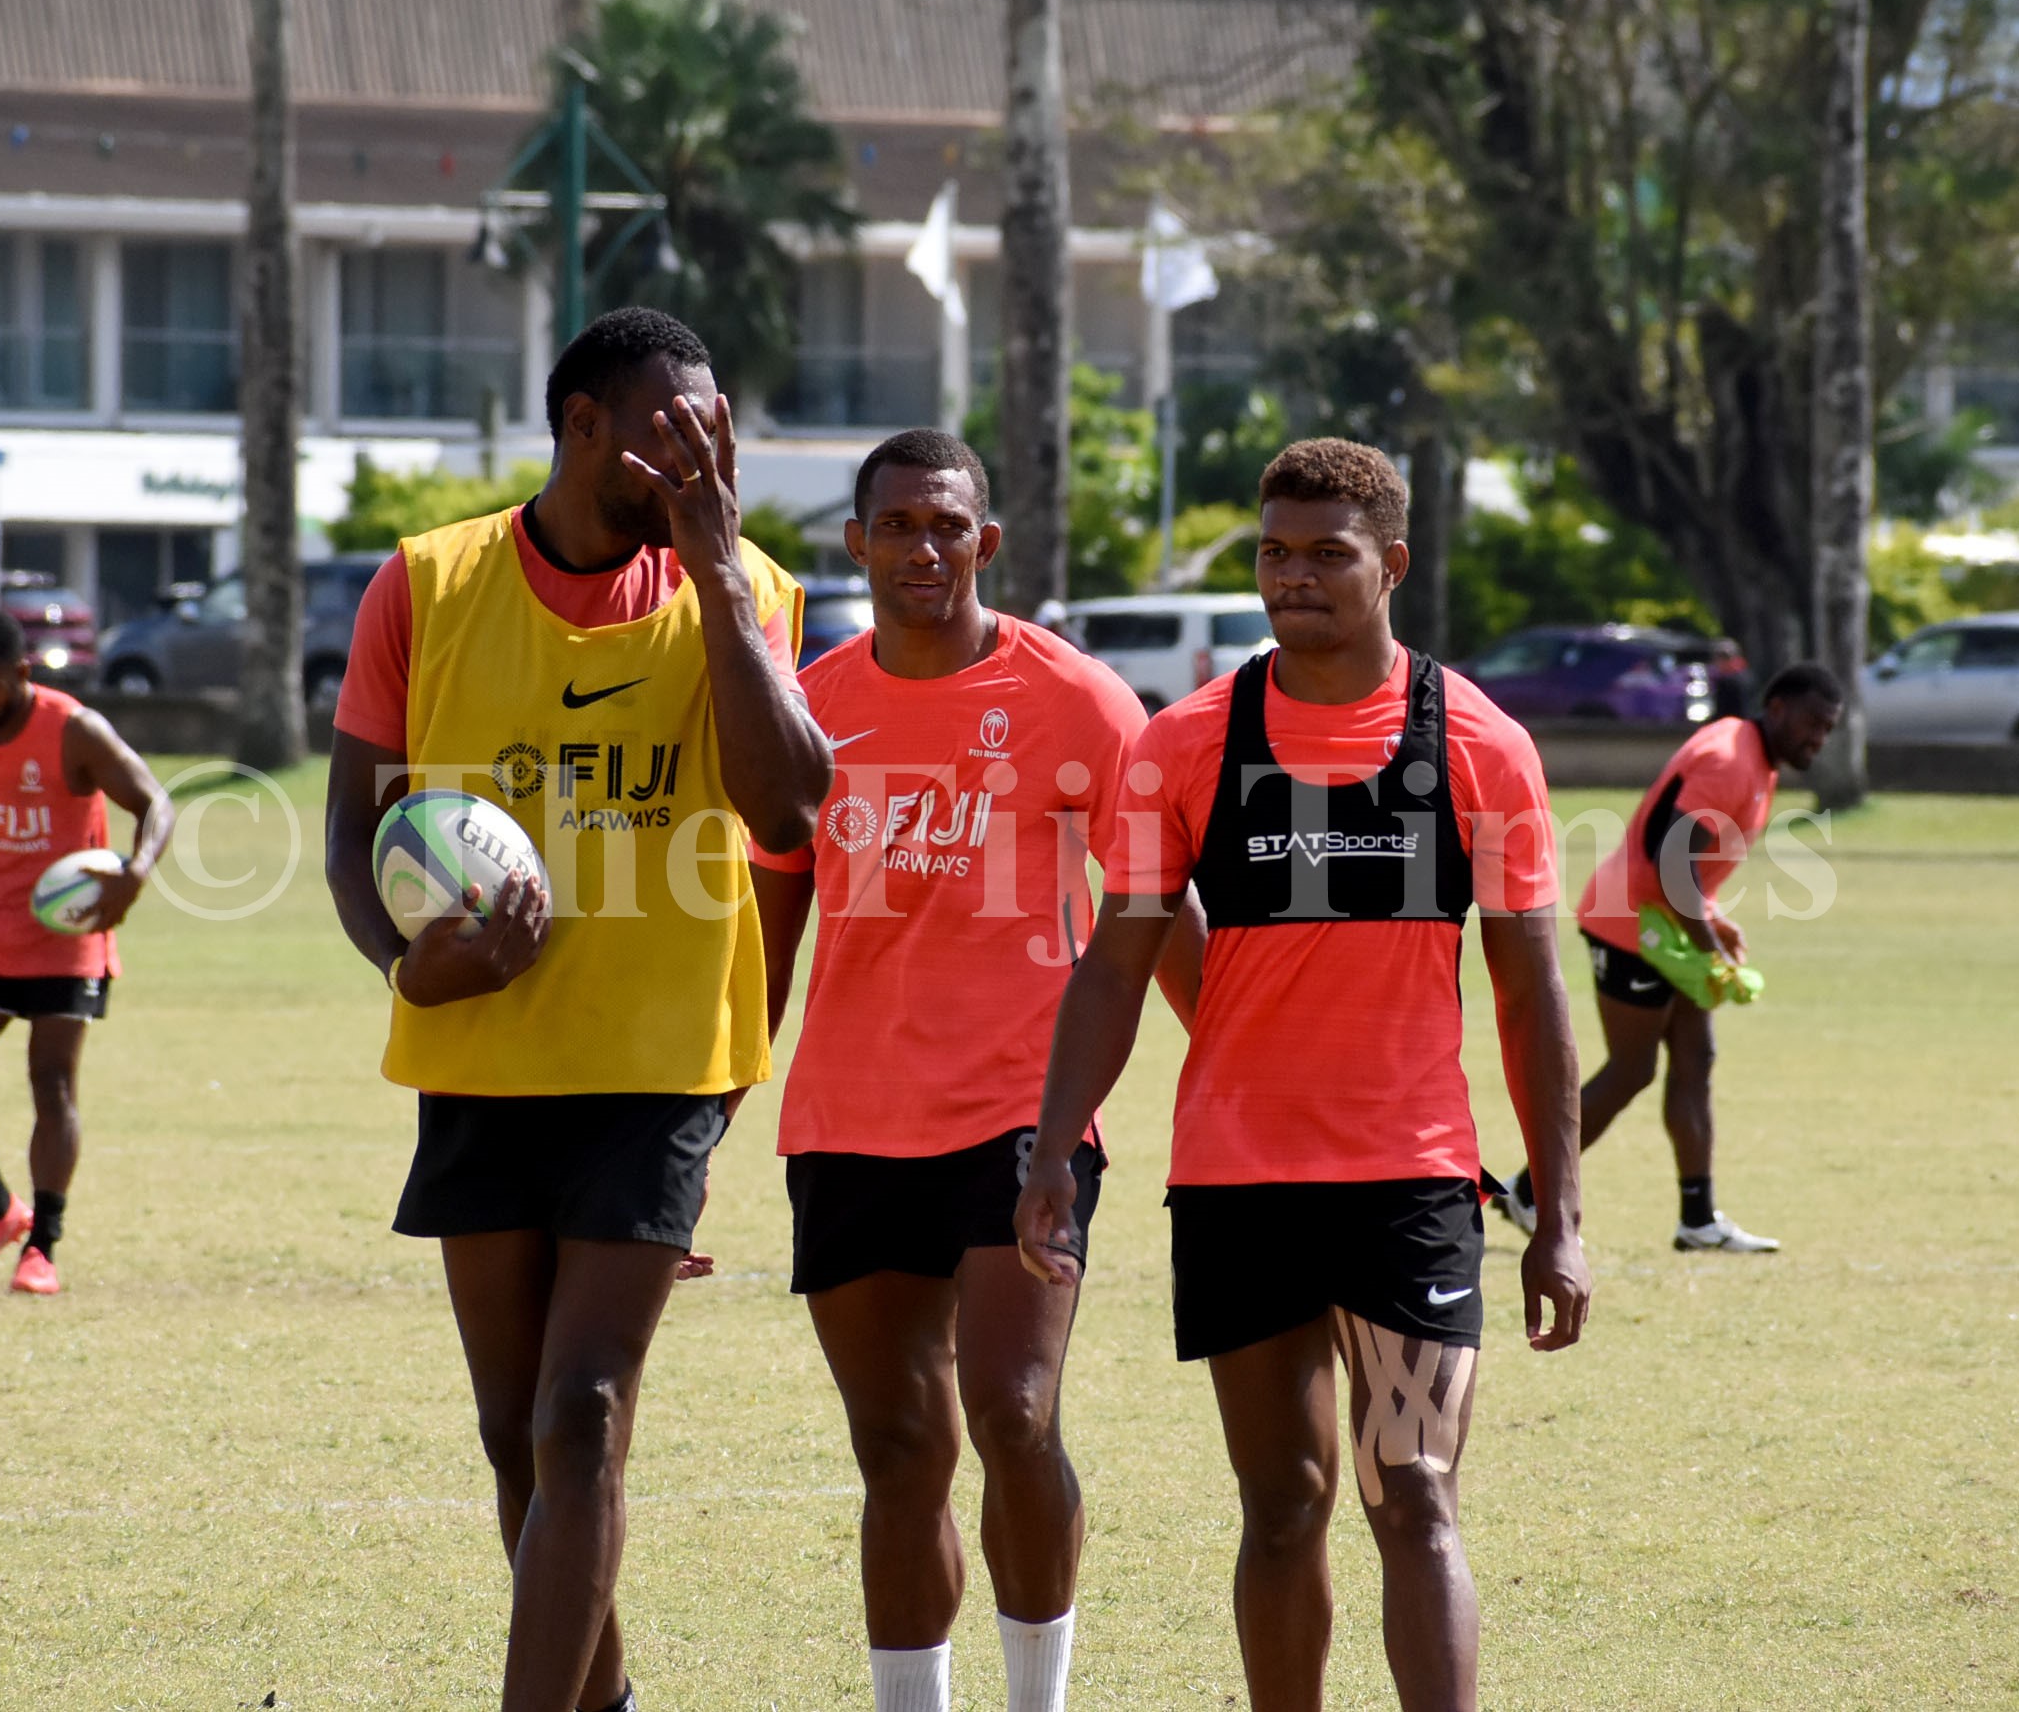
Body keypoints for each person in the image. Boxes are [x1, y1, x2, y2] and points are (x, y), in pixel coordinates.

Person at [1014, 438, 1590, 1712]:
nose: (1294, 576)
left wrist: (1561, 1215)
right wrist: (1051, 1148)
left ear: (1393, 564)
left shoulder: (1480, 742)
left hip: (1409, 1180)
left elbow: (1532, 992)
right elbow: (1113, 969)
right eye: (1276, 552)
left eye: (1329, 553)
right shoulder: (1187, 742)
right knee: (1282, 1506)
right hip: (1239, 1183)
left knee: (1415, 1495)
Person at [324, 306, 831, 1712]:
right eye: (672, 432)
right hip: (478, 1056)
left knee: (585, 1410)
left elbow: (788, 807)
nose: (700, 460)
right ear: (583, 425)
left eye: (715, 434)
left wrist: (716, 569)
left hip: (659, 1066)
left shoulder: (748, 585)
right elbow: (353, 833)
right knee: (517, 1437)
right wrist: (403, 963)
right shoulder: (426, 583)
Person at [750, 429, 1200, 1712]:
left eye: (948, 525)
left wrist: (1241, 1068)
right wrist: (706, 1110)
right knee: (899, 1449)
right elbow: (770, 928)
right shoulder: (810, 707)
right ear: (857, 543)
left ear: (985, 541)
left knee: (1014, 1412)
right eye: (897, 526)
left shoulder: (1079, 699)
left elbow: (1159, 905)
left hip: (1024, 1117)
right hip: (847, 1121)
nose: (923, 548)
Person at [1494, 661, 1844, 1254]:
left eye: (1829, 728)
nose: (1819, 738)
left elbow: (1683, 866)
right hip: (1630, 924)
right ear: (1777, 708)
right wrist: (1712, 950)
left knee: (1695, 1059)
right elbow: (1670, 862)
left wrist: (1711, 919)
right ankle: (1528, 1191)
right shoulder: (1730, 760)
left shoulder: (1754, 757)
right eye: (1813, 722)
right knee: (1631, 1069)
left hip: (1665, 922)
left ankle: (1698, 1220)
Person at [0, 609, 171, 1295]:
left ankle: (43, 1246)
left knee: (51, 1081)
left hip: (68, 937)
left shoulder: (73, 730)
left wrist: (136, 872)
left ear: (22, 673)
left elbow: (155, 803)